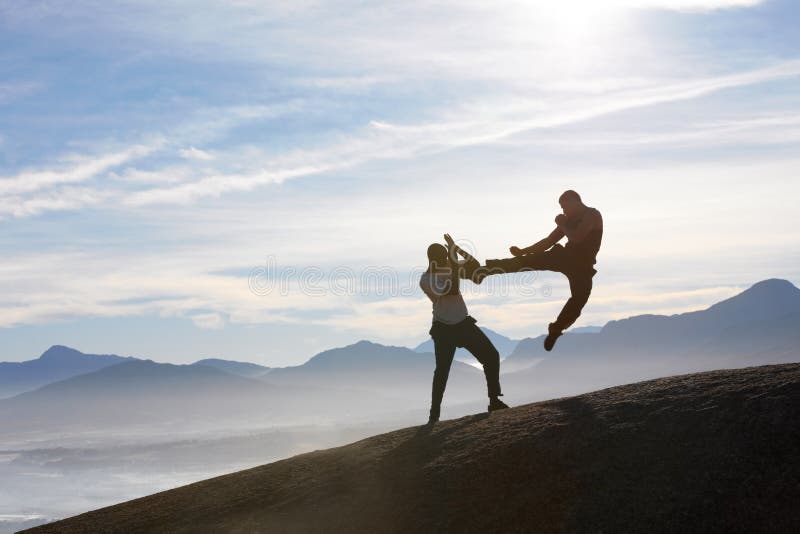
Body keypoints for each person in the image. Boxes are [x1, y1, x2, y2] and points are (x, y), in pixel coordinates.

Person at [480, 190, 603, 351]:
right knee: (526, 262)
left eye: (565, 207)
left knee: (579, 299)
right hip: (565, 257)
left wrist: (563, 223)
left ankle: (556, 329)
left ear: (575, 201)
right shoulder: (568, 220)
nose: (563, 211)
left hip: (583, 266)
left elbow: (577, 236)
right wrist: (524, 251)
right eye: (562, 208)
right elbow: (548, 242)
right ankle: (485, 270)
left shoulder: (592, 215)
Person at [419, 233, 508, 425]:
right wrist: (452, 258)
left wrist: (456, 250)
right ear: (434, 259)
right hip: (443, 329)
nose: (444, 259)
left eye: (445, 256)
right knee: (442, 372)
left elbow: (475, 268)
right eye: (442, 257)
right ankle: (433, 416)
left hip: (463, 323)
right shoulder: (426, 279)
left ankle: (494, 400)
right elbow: (452, 288)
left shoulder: (449, 266)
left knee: (491, 356)